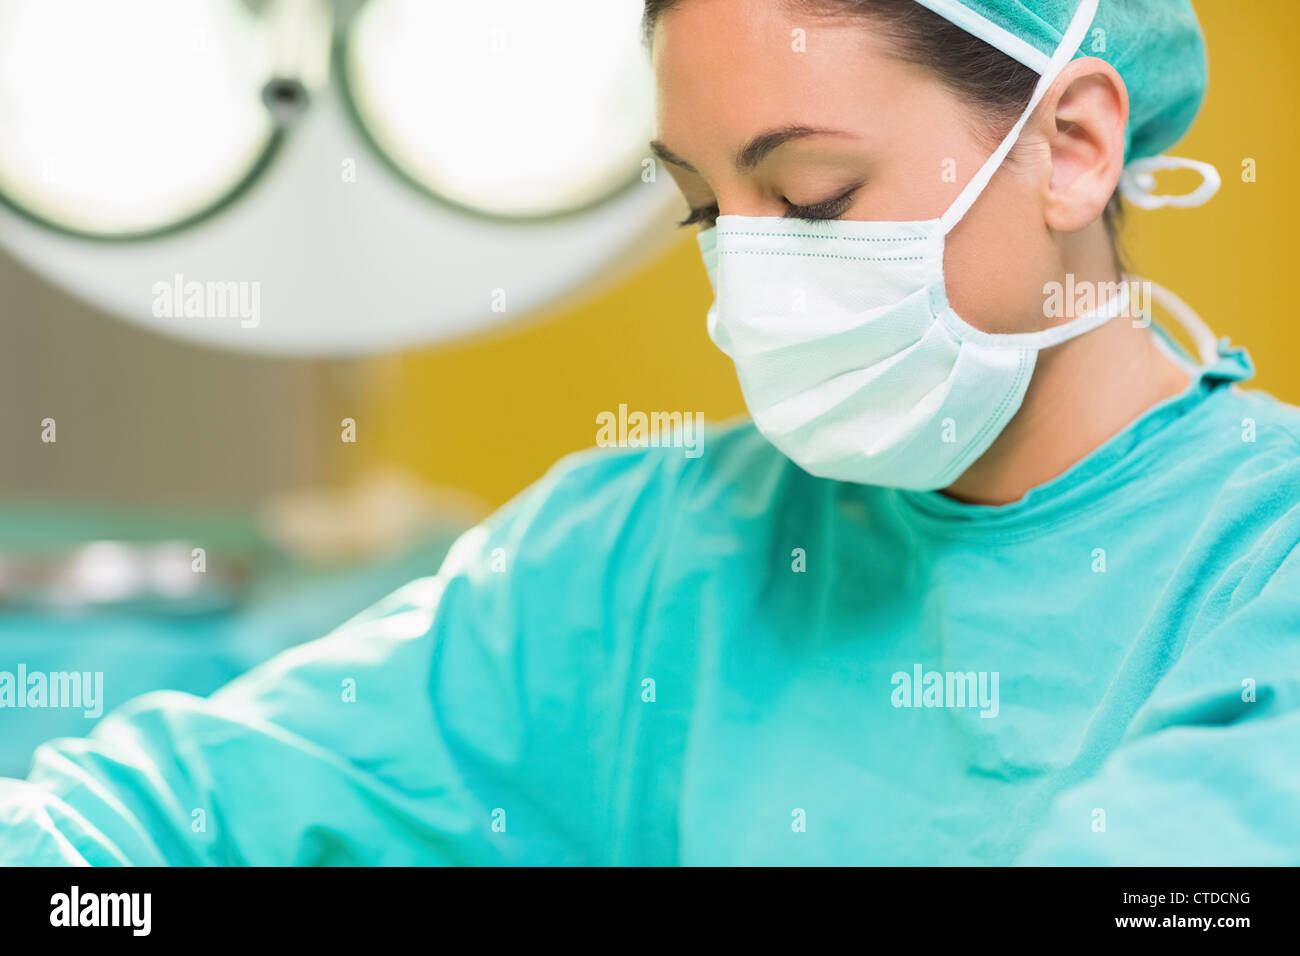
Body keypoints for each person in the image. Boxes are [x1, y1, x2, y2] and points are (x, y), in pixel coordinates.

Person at [2, 0, 1297, 865]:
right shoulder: (650, 546)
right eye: (702, 209)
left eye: (812, 195)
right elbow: (167, 810)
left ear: (1070, 149)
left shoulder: (1261, 566)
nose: (751, 271)